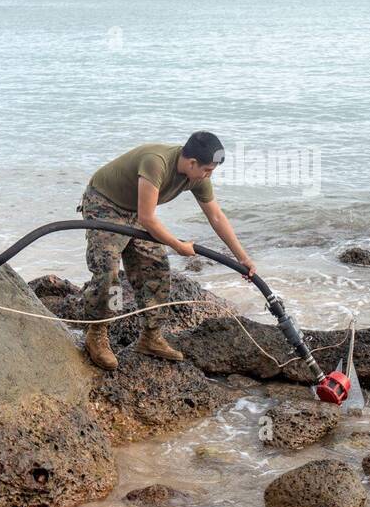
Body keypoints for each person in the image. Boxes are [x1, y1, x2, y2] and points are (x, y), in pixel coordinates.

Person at [79, 132, 255, 369]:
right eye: (208, 170)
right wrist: (178, 245)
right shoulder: (156, 162)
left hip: (137, 210)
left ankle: (150, 336)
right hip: (105, 204)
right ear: (192, 163)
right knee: (109, 272)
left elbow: (215, 216)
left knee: (156, 268)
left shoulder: (198, 177)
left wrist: (243, 258)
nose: (209, 175)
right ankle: (98, 333)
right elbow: (148, 218)